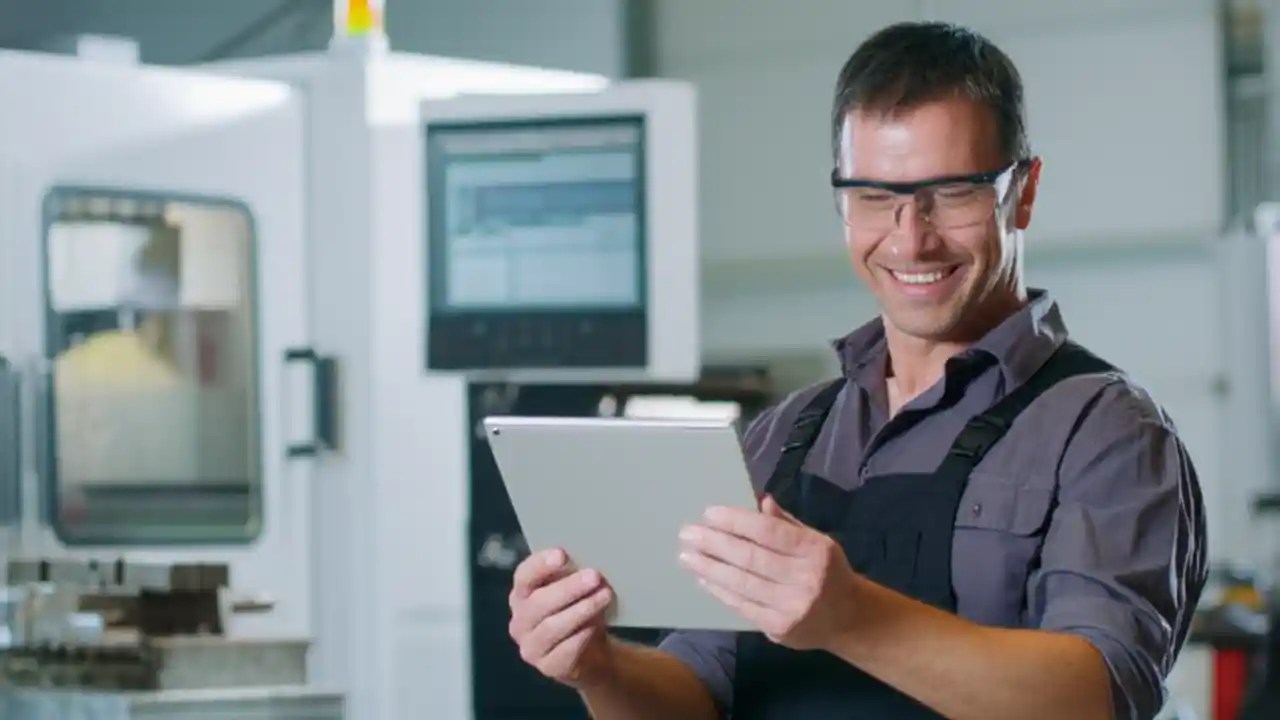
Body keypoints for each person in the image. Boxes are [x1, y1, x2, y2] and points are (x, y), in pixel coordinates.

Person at [506, 20, 1207, 720]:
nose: (911, 237)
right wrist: (599, 669)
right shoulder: (783, 434)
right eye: (875, 196)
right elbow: (698, 695)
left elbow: (1101, 699)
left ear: (1022, 192)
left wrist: (850, 616)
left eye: (954, 193)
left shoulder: (1106, 433)